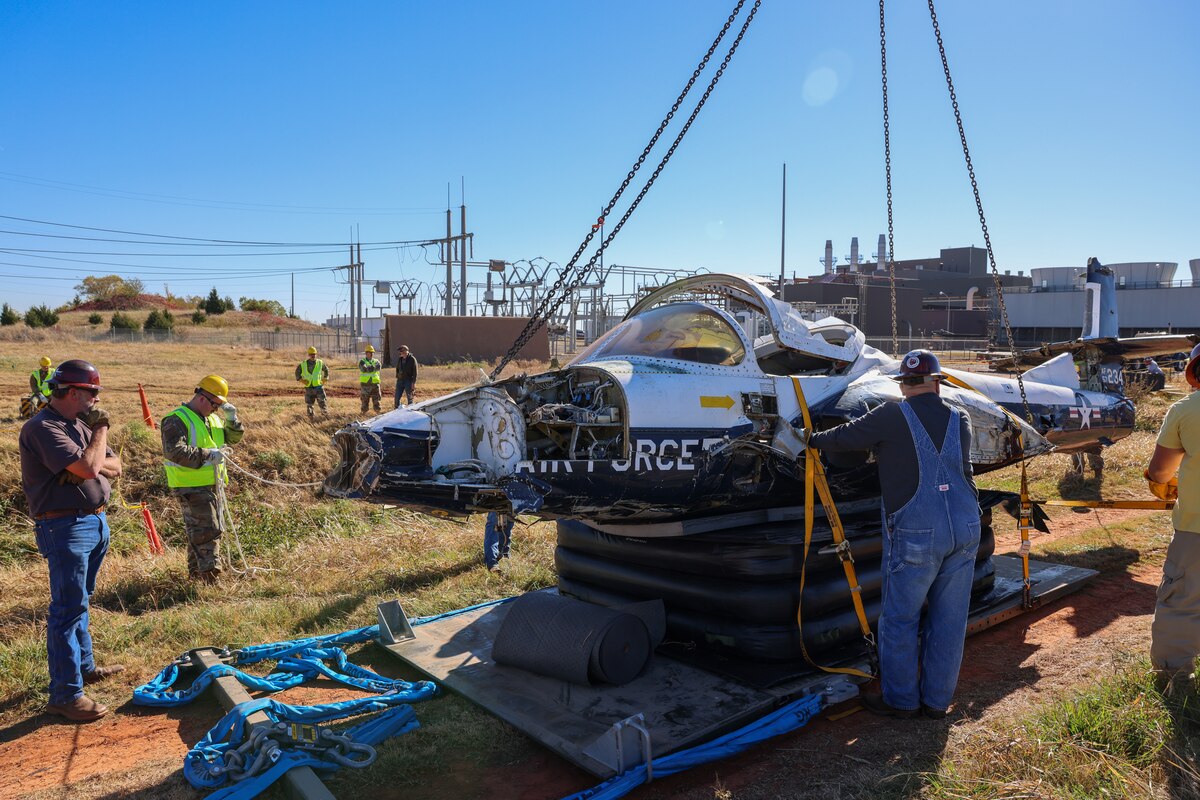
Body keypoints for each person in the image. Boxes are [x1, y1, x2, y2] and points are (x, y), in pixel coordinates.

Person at [804, 349, 980, 719]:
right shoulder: (959, 417)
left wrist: (807, 438)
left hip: (918, 532)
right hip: (966, 527)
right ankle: (936, 703)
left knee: (900, 619)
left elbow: (843, 438)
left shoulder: (890, 415)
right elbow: (963, 472)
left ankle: (901, 701)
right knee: (949, 622)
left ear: (903, 385)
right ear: (937, 382)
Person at [18, 359, 125, 722]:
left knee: (80, 601)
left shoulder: (78, 424)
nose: (97, 399)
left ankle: (84, 668)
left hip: (93, 522)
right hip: (65, 527)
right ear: (74, 392)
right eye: (92, 392)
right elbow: (90, 467)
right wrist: (99, 434)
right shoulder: (42, 427)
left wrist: (88, 462)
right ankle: (65, 695)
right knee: (67, 609)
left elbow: (115, 466)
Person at [1145, 342, 1200, 693]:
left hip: (1195, 529)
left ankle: (1175, 681)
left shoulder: (1185, 410)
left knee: (1181, 602)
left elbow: (1160, 472)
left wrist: (1162, 484)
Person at [161, 375, 244, 583]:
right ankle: (210, 580)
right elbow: (174, 451)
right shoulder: (176, 419)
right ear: (202, 398)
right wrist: (207, 455)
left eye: (219, 406)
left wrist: (232, 420)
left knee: (200, 531)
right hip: (190, 485)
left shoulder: (212, 419)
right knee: (208, 531)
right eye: (215, 404)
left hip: (212, 484)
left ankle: (196, 578)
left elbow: (233, 439)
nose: (216, 409)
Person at [295, 346, 329, 418]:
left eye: (314, 354)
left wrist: (325, 378)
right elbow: (297, 373)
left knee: (322, 403)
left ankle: (325, 417)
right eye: (311, 354)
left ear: (316, 354)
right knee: (309, 404)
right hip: (309, 388)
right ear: (308, 355)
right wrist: (301, 380)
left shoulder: (320, 363)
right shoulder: (303, 364)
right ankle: (311, 418)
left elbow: (326, 370)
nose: (313, 356)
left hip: (319, 387)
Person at [358, 344, 382, 414]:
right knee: (364, 400)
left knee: (376, 400)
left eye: (372, 352)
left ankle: (377, 413)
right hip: (365, 384)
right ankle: (364, 413)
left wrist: (369, 368)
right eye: (369, 352)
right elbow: (363, 369)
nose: (371, 354)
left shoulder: (376, 361)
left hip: (375, 384)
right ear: (366, 353)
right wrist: (372, 368)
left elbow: (378, 367)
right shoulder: (362, 361)